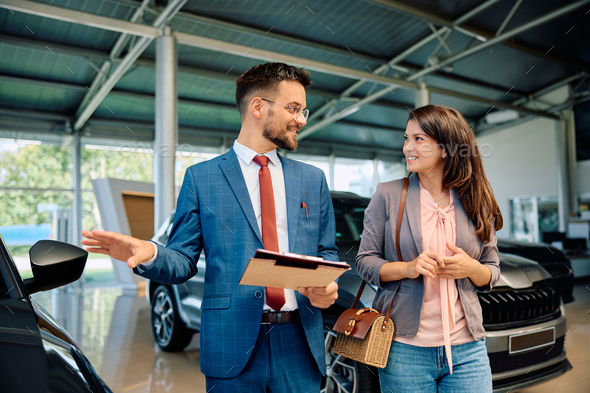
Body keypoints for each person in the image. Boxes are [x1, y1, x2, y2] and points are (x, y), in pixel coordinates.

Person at [81, 62, 339, 392]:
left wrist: (326, 287)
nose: (302, 119)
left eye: (304, 110)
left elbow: (326, 252)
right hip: (230, 345)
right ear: (258, 106)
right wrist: (150, 253)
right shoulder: (202, 179)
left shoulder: (311, 179)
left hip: (299, 346)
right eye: (293, 108)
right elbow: (182, 261)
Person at [356, 104, 503, 393]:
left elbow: (492, 271)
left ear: (446, 148)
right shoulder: (388, 195)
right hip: (404, 349)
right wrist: (408, 268)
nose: (407, 147)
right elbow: (365, 262)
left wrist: (472, 269)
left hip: (468, 349)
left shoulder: (475, 200)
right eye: (406, 138)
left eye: (418, 139)